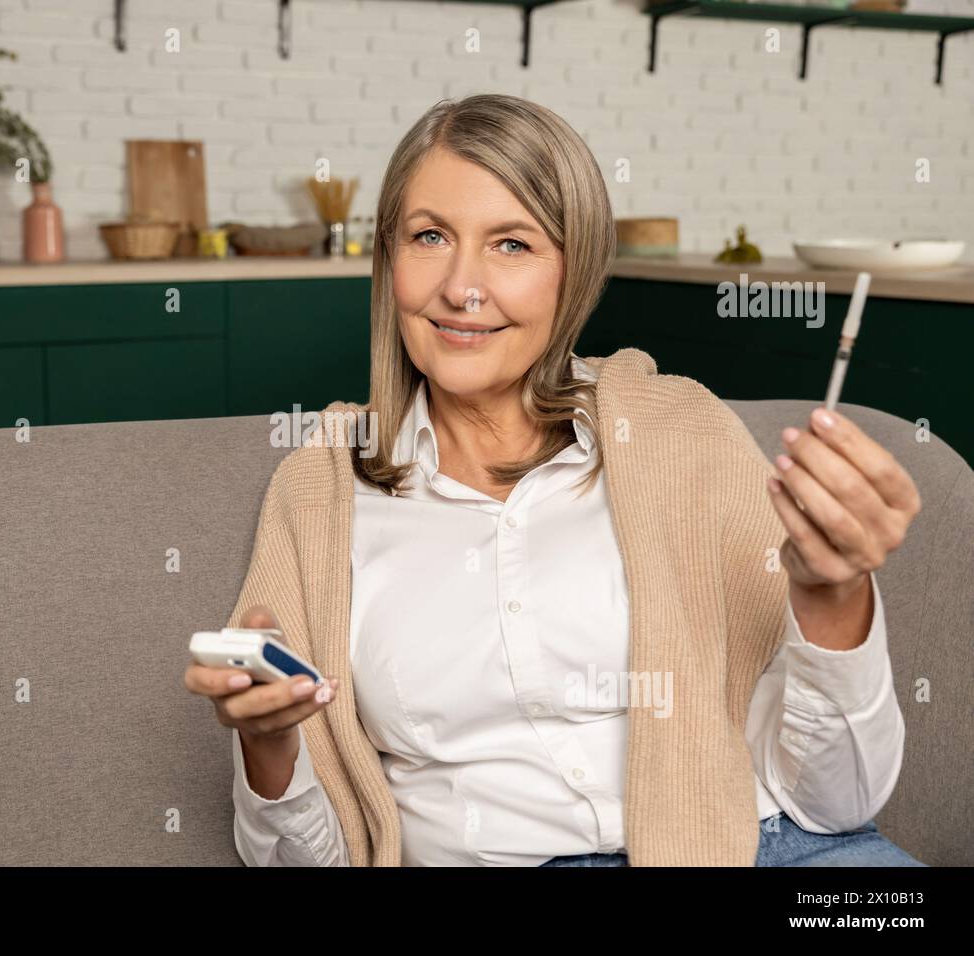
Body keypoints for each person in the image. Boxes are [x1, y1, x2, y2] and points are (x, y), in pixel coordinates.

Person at [183, 94, 924, 867]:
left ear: (573, 273)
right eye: (430, 236)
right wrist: (270, 742)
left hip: (762, 849)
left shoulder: (681, 436)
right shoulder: (321, 491)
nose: (462, 287)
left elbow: (836, 806)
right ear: (389, 260)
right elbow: (306, 862)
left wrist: (835, 594)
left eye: (511, 244)